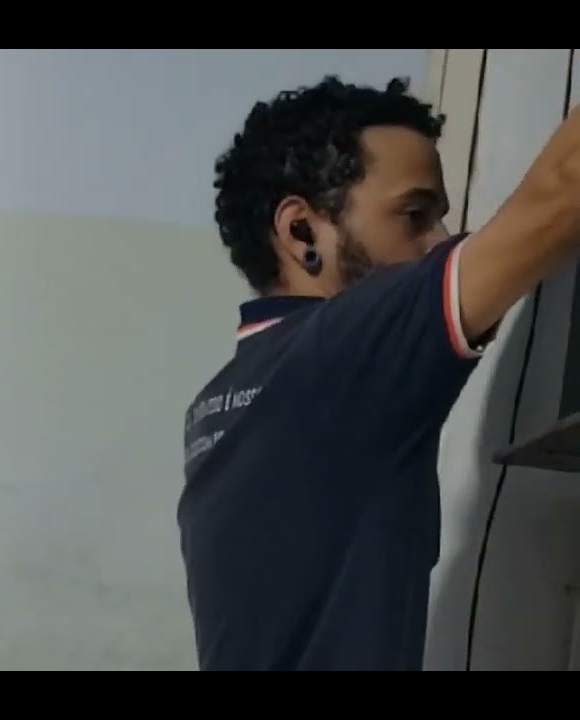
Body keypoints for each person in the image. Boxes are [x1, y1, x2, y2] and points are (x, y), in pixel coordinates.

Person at [178, 74, 580, 671]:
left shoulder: (226, 397)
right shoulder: (338, 355)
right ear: (301, 230)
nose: (440, 240)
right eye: (413, 215)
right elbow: (565, 190)